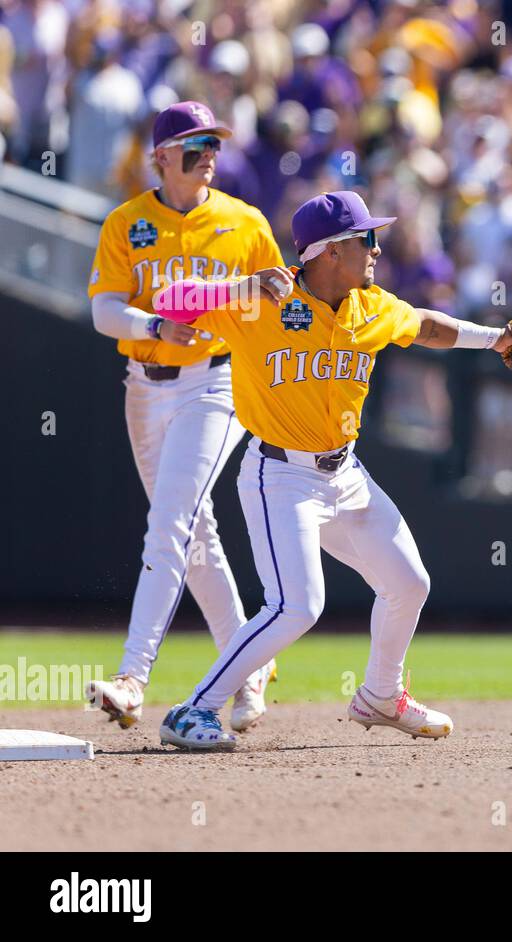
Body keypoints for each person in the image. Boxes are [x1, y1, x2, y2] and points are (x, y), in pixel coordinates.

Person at [146, 191, 512, 750]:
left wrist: (499, 340)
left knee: (409, 584)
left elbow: (425, 327)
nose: (377, 247)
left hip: (346, 475)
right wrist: (241, 287)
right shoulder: (266, 299)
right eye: (365, 238)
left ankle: (381, 696)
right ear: (330, 251)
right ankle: (194, 709)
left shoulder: (371, 305)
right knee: (297, 606)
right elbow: (170, 301)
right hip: (279, 475)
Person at [85, 101, 283, 734]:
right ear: (161, 156)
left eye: (214, 147)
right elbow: (104, 311)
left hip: (216, 384)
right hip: (145, 385)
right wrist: (156, 324)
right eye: (195, 147)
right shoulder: (127, 221)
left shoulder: (246, 222)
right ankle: (249, 668)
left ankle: (132, 679)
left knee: (170, 523)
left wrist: (265, 295)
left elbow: (275, 308)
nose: (209, 159)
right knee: (195, 537)